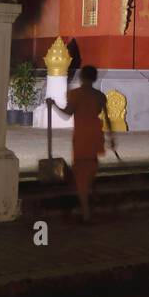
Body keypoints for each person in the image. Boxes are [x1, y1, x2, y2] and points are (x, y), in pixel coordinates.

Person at [47, 66, 117, 221]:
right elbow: (107, 119)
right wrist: (112, 139)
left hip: (82, 136)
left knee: (81, 174)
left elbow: (67, 114)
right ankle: (92, 198)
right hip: (96, 135)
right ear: (94, 78)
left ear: (81, 77)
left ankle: (86, 211)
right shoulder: (100, 96)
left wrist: (53, 105)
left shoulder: (75, 94)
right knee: (91, 168)